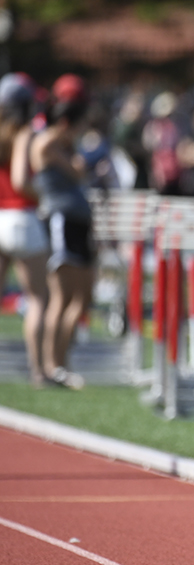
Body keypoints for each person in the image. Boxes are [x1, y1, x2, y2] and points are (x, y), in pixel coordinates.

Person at [29, 74, 94, 390]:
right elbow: (76, 171)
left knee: (81, 299)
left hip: (79, 221)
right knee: (60, 296)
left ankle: (62, 362)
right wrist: (73, 155)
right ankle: (51, 365)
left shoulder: (64, 144)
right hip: (60, 221)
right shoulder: (47, 141)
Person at [0, 73, 49, 387]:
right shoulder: (23, 133)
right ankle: (38, 371)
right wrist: (41, 196)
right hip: (21, 217)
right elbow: (20, 179)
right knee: (38, 298)